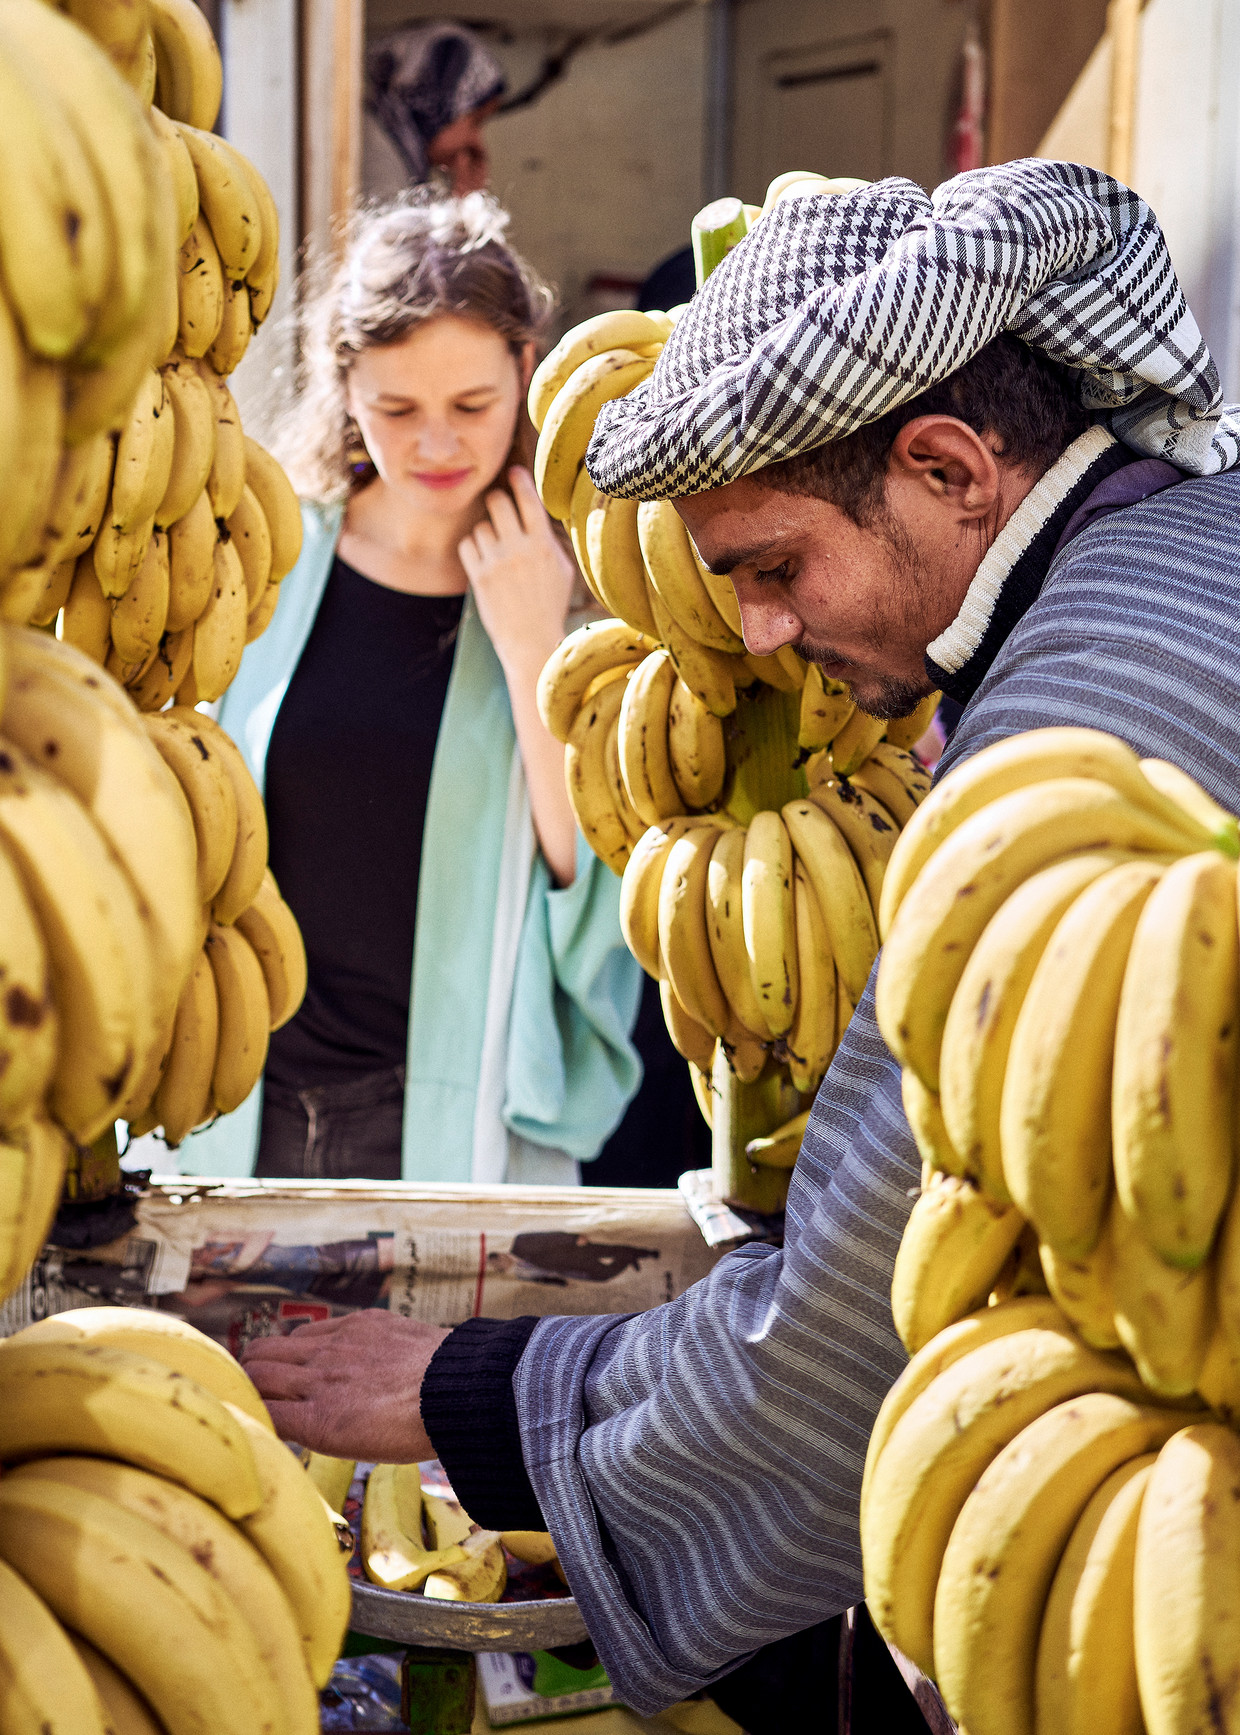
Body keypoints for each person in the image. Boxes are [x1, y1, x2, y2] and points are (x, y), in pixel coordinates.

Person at [241, 159, 1240, 1714]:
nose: (764, 634)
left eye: (776, 569)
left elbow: (846, 1341)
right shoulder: (1183, 556)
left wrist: (471, 1389)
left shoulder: (1072, 728)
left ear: (953, 467)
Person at [184, 193, 642, 1185]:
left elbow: (593, 880)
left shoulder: (583, 594)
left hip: (447, 1128)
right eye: (397, 409)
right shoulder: (258, 560)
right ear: (344, 386)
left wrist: (530, 652)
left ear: (527, 370)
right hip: (226, 1097)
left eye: (471, 407)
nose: (437, 445)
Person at [365, 22, 505, 197]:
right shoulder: (378, 160)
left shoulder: (395, 148)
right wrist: (465, 204)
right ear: (437, 103)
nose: (476, 141)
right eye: (475, 122)